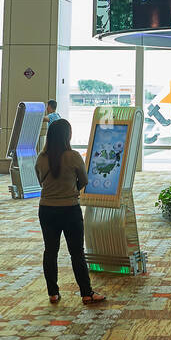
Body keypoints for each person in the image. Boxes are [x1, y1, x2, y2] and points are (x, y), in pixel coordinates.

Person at [37, 118, 105, 306]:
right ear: (67, 136)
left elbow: (39, 182)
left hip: (46, 209)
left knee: (50, 251)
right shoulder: (73, 156)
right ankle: (86, 293)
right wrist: (70, 188)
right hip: (69, 209)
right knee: (77, 252)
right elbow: (83, 180)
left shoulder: (41, 158)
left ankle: (53, 293)